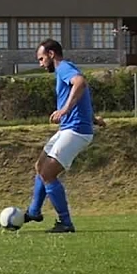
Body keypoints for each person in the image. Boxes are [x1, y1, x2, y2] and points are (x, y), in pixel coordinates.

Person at [24, 38, 105, 234]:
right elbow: (81, 96)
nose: (41, 64)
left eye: (42, 59)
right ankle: (34, 212)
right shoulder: (65, 69)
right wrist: (93, 118)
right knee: (40, 166)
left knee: (48, 173)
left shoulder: (64, 68)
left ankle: (65, 223)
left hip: (75, 130)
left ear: (51, 55)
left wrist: (65, 109)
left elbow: (80, 83)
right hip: (70, 127)